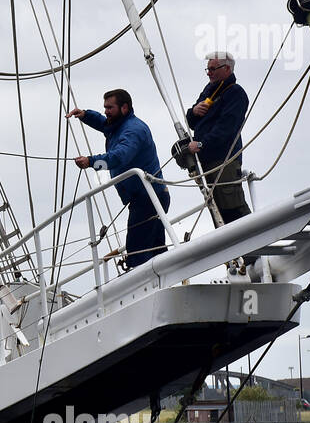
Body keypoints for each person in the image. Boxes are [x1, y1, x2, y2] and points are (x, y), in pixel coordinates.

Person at [68, 90, 171, 269]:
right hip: (150, 196)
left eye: (110, 107)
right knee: (156, 251)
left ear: (124, 108)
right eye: (105, 107)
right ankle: (168, 286)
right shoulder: (119, 124)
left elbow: (120, 157)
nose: (106, 111)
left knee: (137, 253)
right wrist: (85, 115)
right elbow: (104, 123)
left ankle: (145, 291)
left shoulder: (133, 130)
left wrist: (91, 162)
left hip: (147, 198)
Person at [186, 51, 252, 225]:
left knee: (232, 206)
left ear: (227, 68)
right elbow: (191, 122)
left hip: (224, 160)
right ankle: (234, 249)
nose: (209, 73)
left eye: (213, 69)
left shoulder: (235, 93)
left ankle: (253, 250)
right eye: (207, 69)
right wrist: (194, 111)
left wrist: (201, 144)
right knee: (218, 211)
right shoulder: (209, 90)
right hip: (208, 160)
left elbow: (226, 129)